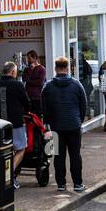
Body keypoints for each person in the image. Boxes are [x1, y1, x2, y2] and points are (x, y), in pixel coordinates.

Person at [41, 56, 88, 192]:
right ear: (68, 68)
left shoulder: (48, 86)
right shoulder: (76, 84)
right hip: (73, 124)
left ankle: (61, 184)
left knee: (58, 155)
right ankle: (78, 184)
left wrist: (47, 123)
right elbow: (83, 104)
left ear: (56, 69)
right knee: (75, 155)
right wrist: (79, 119)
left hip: (55, 126)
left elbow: (43, 106)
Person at [0, 61, 32, 188]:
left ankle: (6, 175)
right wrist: (26, 111)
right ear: (13, 72)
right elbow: (26, 102)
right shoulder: (17, 85)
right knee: (21, 148)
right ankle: (8, 174)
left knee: (4, 150)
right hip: (16, 123)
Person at [23, 50, 47, 115]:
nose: (28, 60)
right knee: (29, 117)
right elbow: (24, 78)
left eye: (29, 58)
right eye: (27, 58)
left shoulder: (42, 69)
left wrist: (29, 81)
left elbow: (40, 82)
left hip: (37, 98)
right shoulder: (27, 69)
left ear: (35, 58)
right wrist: (30, 70)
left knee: (37, 117)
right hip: (28, 97)